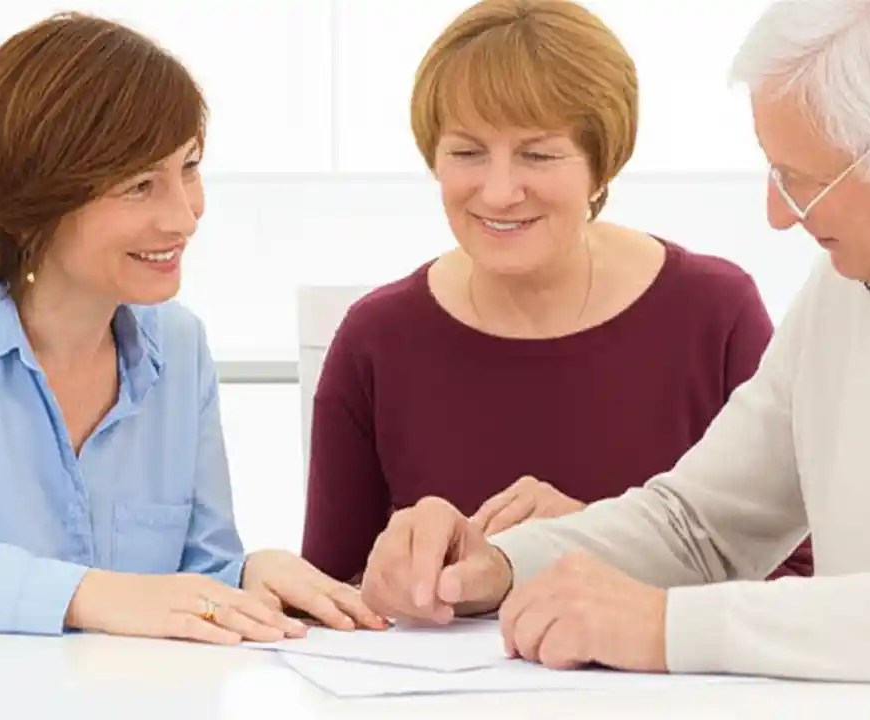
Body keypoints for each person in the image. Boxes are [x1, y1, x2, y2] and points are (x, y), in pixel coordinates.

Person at [358, 0, 870, 686]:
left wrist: (667, 629)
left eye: (803, 183)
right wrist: (502, 566)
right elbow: (700, 525)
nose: (778, 216)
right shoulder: (855, 281)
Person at [0, 13, 384, 643]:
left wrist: (247, 575)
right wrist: (87, 593)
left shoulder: (179, 348)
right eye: (140, 186)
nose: (184, 216)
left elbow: (191, 574)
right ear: (34, 200)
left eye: (188, 167)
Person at [301, 0, 812, 585]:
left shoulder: (714, 314)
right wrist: (405, 580)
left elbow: (796, 574)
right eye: (466, 153)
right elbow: (327, 592)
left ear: (602, 165)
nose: (497, 193)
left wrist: (599, 540)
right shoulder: (376, 339)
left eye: (538, 155)